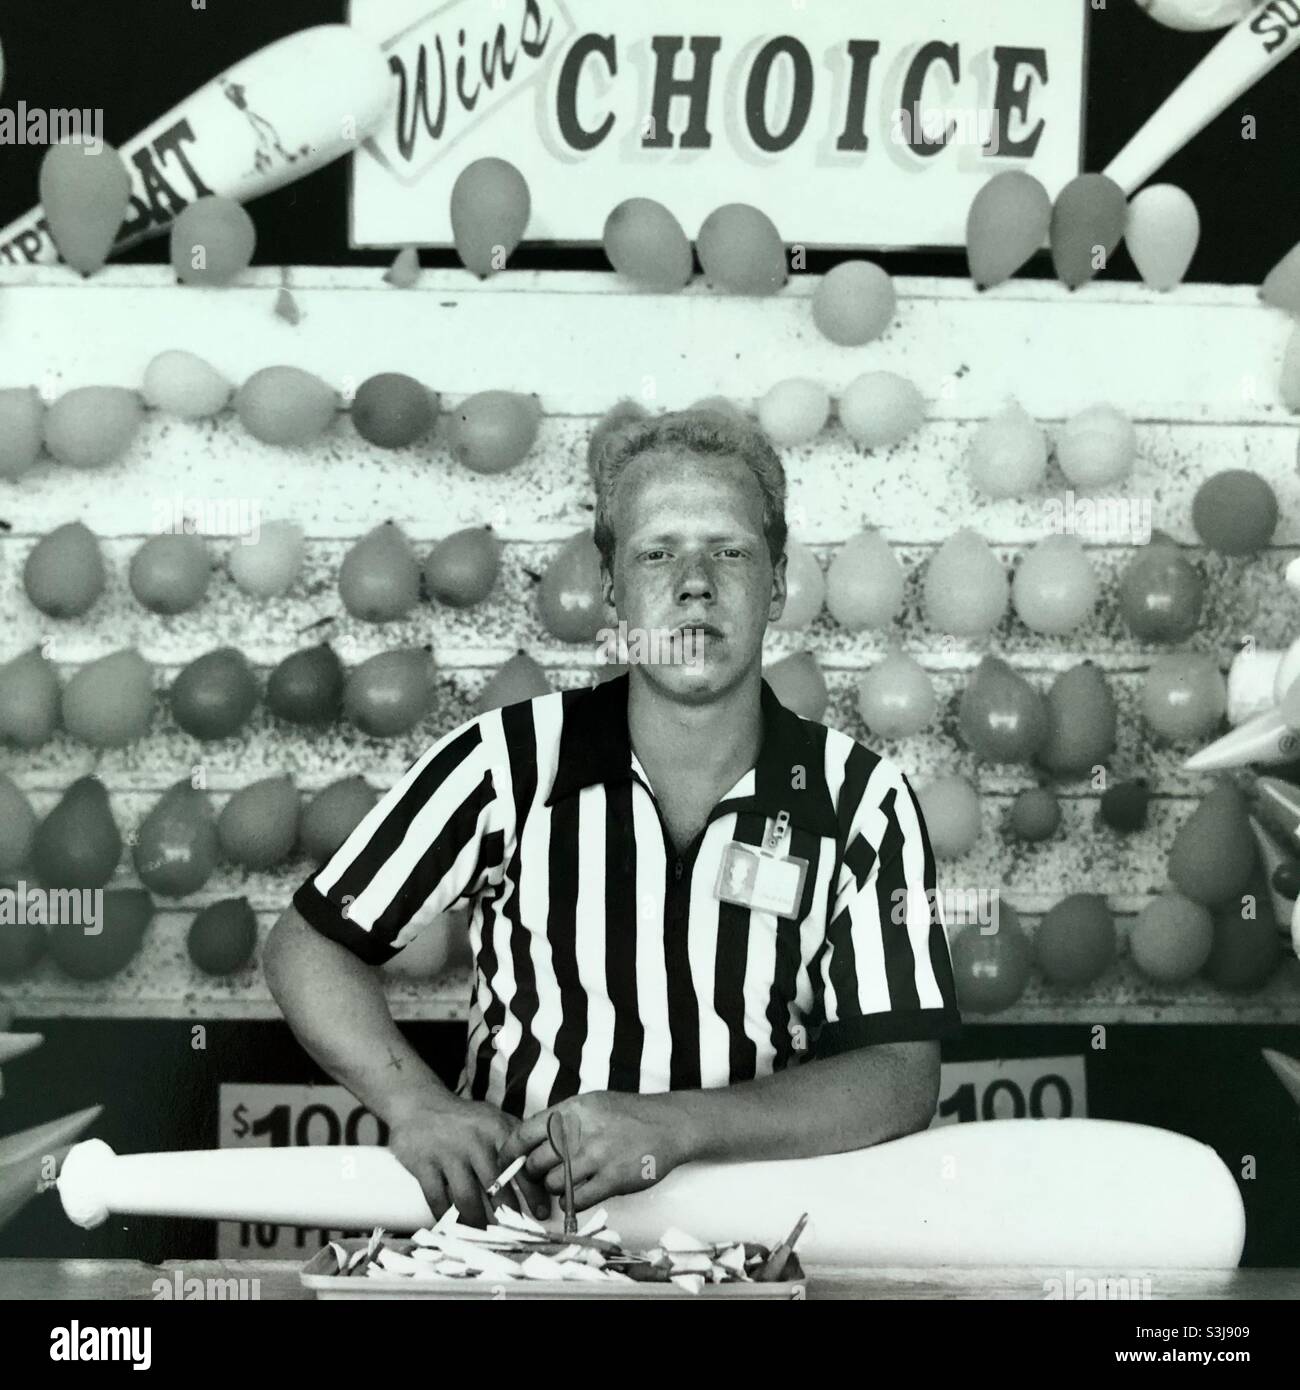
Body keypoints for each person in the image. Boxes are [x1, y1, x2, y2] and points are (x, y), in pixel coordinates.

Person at [264, 410, 961, 1227]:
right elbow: (310, 944)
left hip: (752, 1241)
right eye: (657, 551)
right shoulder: (508, 761)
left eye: (729, 550)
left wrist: (675, 1125)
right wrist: (415, 1102)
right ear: (611, 586)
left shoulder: (860, 800)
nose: (694, 581)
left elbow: (900, 1071)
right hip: (521, 1242)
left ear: (776, 583)